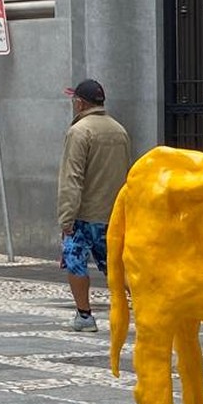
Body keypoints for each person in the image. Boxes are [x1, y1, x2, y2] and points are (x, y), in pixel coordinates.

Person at [57, 78, 132, 331]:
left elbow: (72, 177)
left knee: (75, 260)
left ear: (80, 103)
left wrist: (66, 217)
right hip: (113, 214)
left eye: (74, 100)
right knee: (116, 267)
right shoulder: (119, 130)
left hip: (84, 213)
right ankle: (145, 308)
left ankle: (85, 315)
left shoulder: (79, 132)